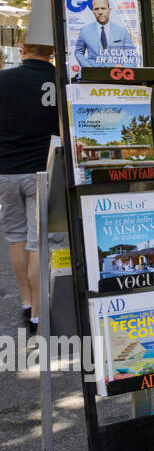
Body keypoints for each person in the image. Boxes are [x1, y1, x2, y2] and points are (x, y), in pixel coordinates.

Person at [0, 37, 60, 330]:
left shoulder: (5, 80)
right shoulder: (59, 82)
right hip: (43, 171)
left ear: (22, 48)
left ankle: (25, 302)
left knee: (17, 238)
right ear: (53, 51)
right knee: (38, 243)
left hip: (6, 172)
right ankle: (37, 313)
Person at [72, 0, 136, 70]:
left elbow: (132, 54)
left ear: (109, 10)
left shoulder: (122, 31)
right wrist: (88, 68)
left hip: (116, 74)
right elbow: (78, 52)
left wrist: (124, 67)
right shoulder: (85, 31)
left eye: (103, 8)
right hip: (93, 75)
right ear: (93, 11)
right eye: (96, 9)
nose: (100, 12)